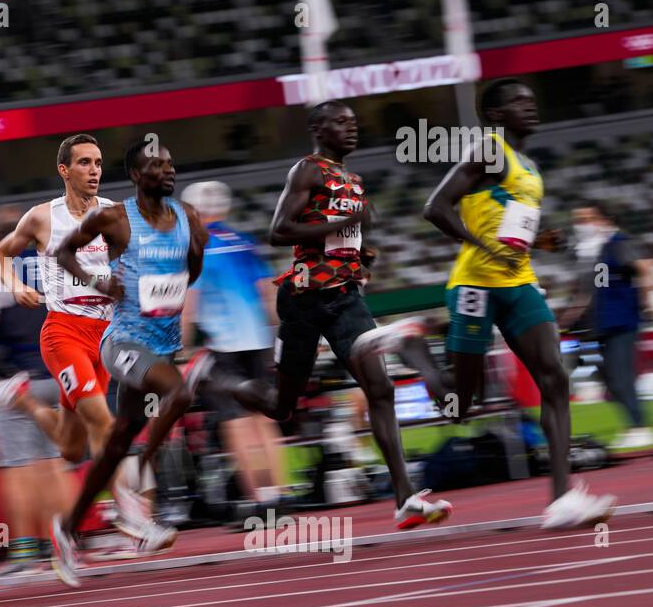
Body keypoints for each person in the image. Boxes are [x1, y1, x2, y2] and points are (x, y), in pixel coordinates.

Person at [207, 101, 454, 530]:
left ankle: (405, 498)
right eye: (340, 123)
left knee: (380, 389)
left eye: (354, 123)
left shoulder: (353, 180)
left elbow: (346, 237)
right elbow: (279, 230)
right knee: (280, 407)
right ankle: (220, 378)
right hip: (305, 299)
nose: (351, 129)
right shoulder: (307, 171)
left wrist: (363, 256)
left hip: (344, 297)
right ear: (319, 131)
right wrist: (340, 227)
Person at [421, 80, 616, 528]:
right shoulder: (488, 151)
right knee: (462, 404)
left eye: (532, 99)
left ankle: (562, 497)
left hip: (519, 282)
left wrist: (541, 240)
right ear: (494, 115)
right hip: (474, 283)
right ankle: (414, 348)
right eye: (517, 102)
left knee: (555, 377)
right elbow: (436, 207)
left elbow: (510, 225)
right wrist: (483, 247)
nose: (529, 107)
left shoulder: (527, 165)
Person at [48, 137, 209, 587]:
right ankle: (142, 469)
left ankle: (67, 528)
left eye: (172, 164)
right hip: (121, 343)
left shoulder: (188, 218)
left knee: (117, 440)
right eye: (157, 166)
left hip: (162, 344)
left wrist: (180, 272)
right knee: (178, 391)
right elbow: (64, 253)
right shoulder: (116, 218)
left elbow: (191, 271)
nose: (169, 171)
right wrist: (101, 285)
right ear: (137, 176)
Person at [0, 133, 147, 537]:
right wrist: (15, 286)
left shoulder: (115, 212)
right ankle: (127, 509)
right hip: (63, 332)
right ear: (64, 170)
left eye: (97, 163)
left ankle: (21, 401)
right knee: (102, 419)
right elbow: (0, 255)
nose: (94, 170)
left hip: (104, 335)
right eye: (84, 163)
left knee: (71, 447)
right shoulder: (43, 217)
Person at [0, 205, 74, 576]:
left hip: (16, 380)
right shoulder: (55, 259)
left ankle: (26, 553)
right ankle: (64, 546)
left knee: (18, 467)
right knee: (54, 463)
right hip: (59, 371)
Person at [180, 180, 286, 506]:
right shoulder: (245, 242)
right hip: (259, 340)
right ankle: (279, 494)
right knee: (264, 420)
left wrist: (181, 349)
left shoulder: (196, 247)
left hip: (225, 347)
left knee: (235, 423)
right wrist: (277, 332)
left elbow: (188, 305)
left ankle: (258, 500)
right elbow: (269, 292)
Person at [560, 203, 651, 451]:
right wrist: (568, 318)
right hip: (599, 325)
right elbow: (589, 292)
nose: (582, 224)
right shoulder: (591, 254)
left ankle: (639, 427)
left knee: (621, 378)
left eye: (588, 218)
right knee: (608, 383)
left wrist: (646, 300)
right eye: (579, 218)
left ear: (602, 219)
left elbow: (645, 268)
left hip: (621, 322)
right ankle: (634, 425)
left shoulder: (618, 243)